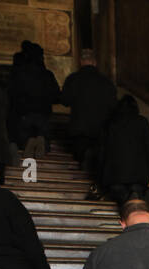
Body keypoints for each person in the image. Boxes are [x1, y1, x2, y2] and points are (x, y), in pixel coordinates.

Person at [60, 49, 117, 186]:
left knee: (80, 161)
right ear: (95, 63)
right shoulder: (106, 83)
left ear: (81, 62)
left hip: (79, 129)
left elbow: (64, 100)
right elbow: (113, 106)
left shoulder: (73, 79)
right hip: (99, 130)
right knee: (96, 163)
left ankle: (79, 182)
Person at [100, 95, 149, 204]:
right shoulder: (142, 122)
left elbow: (103, 151)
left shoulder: (111, 123)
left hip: (115, 176)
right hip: (138, 177)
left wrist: (103, 176)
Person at [8, 40, 60, 158]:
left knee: (24, 137)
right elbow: (57, 95)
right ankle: (41, 138)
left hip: (24, 114)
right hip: (43, 114)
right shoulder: (47, 75)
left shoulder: (19, 73)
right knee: (43, 134)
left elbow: (11, 93)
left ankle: (29, 140)